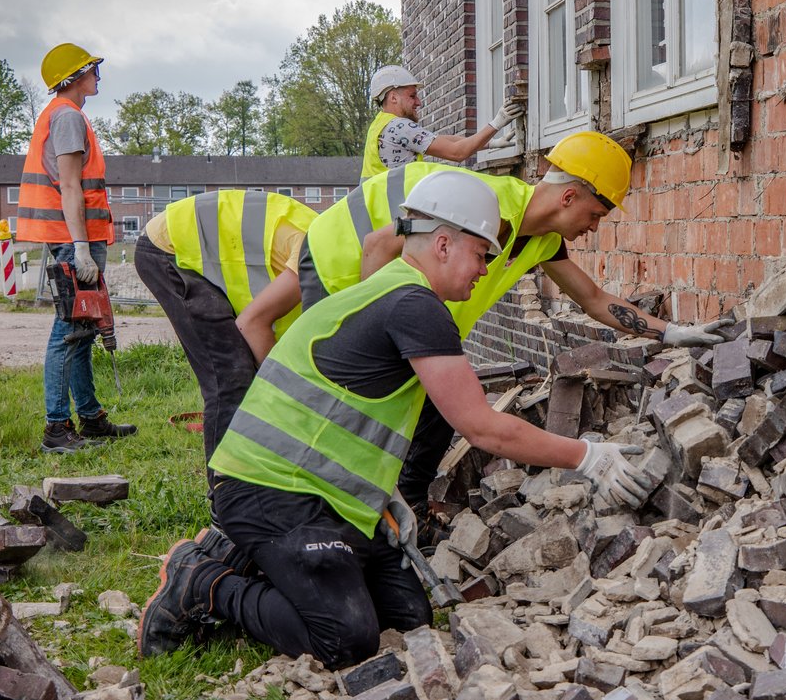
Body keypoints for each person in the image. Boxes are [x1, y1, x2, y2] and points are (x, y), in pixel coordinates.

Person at [136, 171, 652, 667]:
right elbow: (482, 427)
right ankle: (201, 581)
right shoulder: (412, 305)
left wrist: (387, 492)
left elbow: (353, 417)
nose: (484, 270)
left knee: (408, 619)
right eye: (480, 255)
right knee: (346, 638)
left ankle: (266, 564)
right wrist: (589, 457)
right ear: (443, 244)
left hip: (326, 493)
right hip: (270, 488)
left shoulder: (400, 292)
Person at [259, 131, 724, 532]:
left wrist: (673, 333)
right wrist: (376, 327)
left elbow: (594, 299)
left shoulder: (542, 240)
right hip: (341, 261)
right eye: (595, 214)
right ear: (569, 197)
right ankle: (311, 506)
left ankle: (407, 510)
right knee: (352, 397)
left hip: (389, 286)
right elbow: (379, 243)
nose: (593, 228)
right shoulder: (483, 207)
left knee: (438, 407)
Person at [133, 189, 317, 488]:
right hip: (168, 249)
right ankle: (225, 494)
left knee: (247, 371)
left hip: (196, 247)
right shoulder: (315, 257)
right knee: (231, 375)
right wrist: (287, 398)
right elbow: (253, 323)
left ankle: (253, 476)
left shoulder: (330, 250)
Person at [17, 43, 136, 454]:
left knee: (83, 330)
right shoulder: (67, 118)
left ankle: (89, 417)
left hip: (76, 238)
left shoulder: (67, 116)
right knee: (69, 332)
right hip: (74, 241)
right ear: (75, 77)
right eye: (92, 70)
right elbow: (69, 185)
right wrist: (81, 247)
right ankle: (56, 428)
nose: (98, 76)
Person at [359, 64, 523, 182]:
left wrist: (490, 143)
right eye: (412, 96)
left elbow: (442, 140)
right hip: (396, 215)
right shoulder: (400, 127)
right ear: (393, 97)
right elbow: (457, 153)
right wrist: (496, 124)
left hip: (383, 215)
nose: (418, 102)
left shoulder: (380, 125)